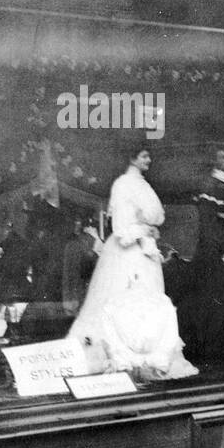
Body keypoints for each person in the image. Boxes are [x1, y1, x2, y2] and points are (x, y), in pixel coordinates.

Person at [68, 146, 198, 381]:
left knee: (148, 304)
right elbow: (120, 227)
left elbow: (153, 216)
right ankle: (116, 358)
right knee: (120, 300)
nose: (149, 160)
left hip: (143, 251)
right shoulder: (123, 184)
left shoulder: (141, 183)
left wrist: (149, 232)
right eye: (144, 156)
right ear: (132, 158)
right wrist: (144, 230)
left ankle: (147, 358)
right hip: (127, 253)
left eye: (149, 155)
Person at [191, 147, 224, 368]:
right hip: (217, 250)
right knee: (217, 298)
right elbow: (209, 223)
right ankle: (216, 354)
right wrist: (223, 248)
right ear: (213, 161)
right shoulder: (210, 186)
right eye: (222, 156)